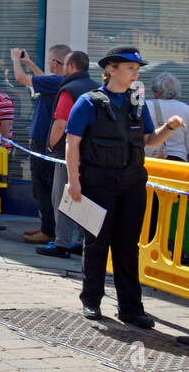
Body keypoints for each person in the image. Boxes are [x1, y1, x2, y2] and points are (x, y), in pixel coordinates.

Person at [64, 47, 186, 326]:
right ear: (111, 70)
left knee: (128, 245)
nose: (135, 74)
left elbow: (148, 139)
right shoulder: (88, 101)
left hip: (131, 182)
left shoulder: (137, 102)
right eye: (130, 68)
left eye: (137, 69)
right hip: (98, 181)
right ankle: (91, 301)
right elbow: (73, 142)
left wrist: (168, 127)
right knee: (97, 243)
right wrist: (74, 181)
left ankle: (131, 309)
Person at [37, 51, 100, 258]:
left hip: (67, 153)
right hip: (91, 154)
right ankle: (83, 243)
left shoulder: (69, 90)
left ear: (71, 66)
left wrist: (50, 146)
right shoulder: (97, 88)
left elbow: (61, 123)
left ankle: (61, 243)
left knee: (61, 198)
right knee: (83, 198)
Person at [12, 45, 69, 245]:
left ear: (55, 63)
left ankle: (48, 230)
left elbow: (20, 78)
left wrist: (15, 61)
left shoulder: (57, 81)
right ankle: (47, 225)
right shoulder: (58, 82)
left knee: (42, 187)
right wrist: (28, 62)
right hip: (46, 141)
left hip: (42, 142)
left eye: (50, 61)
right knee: (47, 186)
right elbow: (42, 78)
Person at [147, 73, 189, 162]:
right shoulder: (186, 109)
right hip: (178, 159)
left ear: (155, 91)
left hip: (152, 158)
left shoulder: (145, 106)